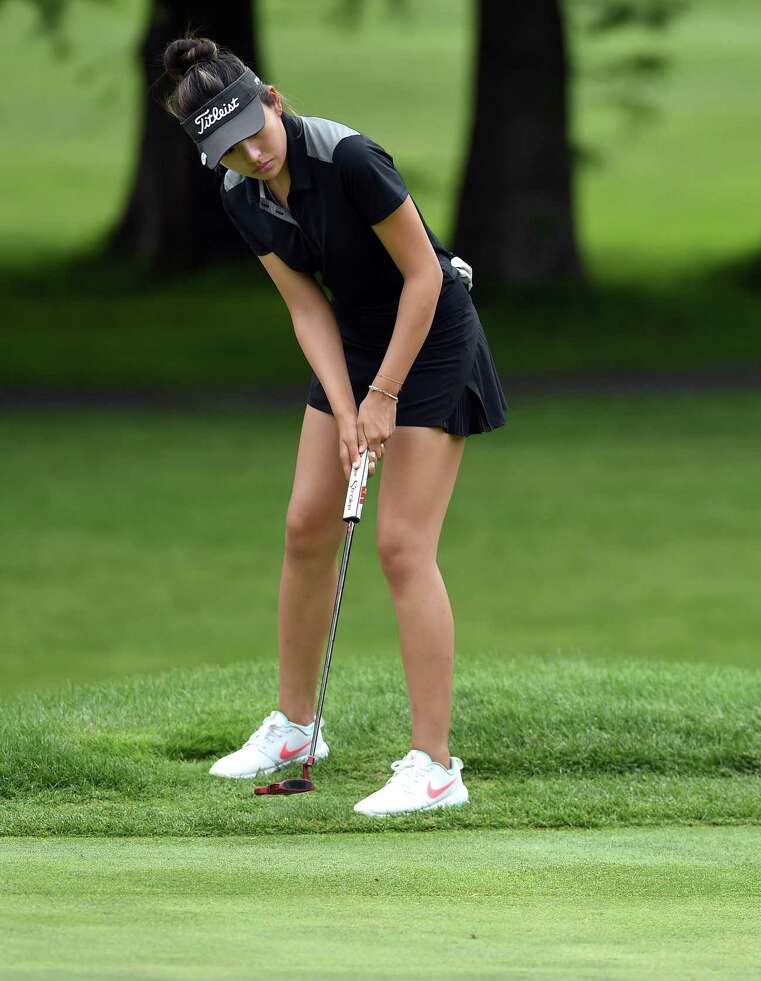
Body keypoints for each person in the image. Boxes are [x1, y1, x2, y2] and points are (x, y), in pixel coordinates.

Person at [158, 35, 508, 816]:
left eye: (255, 130)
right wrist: (347, 406)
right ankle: (296, 726)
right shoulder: (240, 195)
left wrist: (382, 397)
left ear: (272, 99)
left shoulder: (349, 158)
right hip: (354, 341)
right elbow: (306, 305)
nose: (251, 152)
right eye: (228, 147)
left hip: (432, 333)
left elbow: (424, 276)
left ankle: (435, 765)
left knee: (400, 544)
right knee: (306, 525)